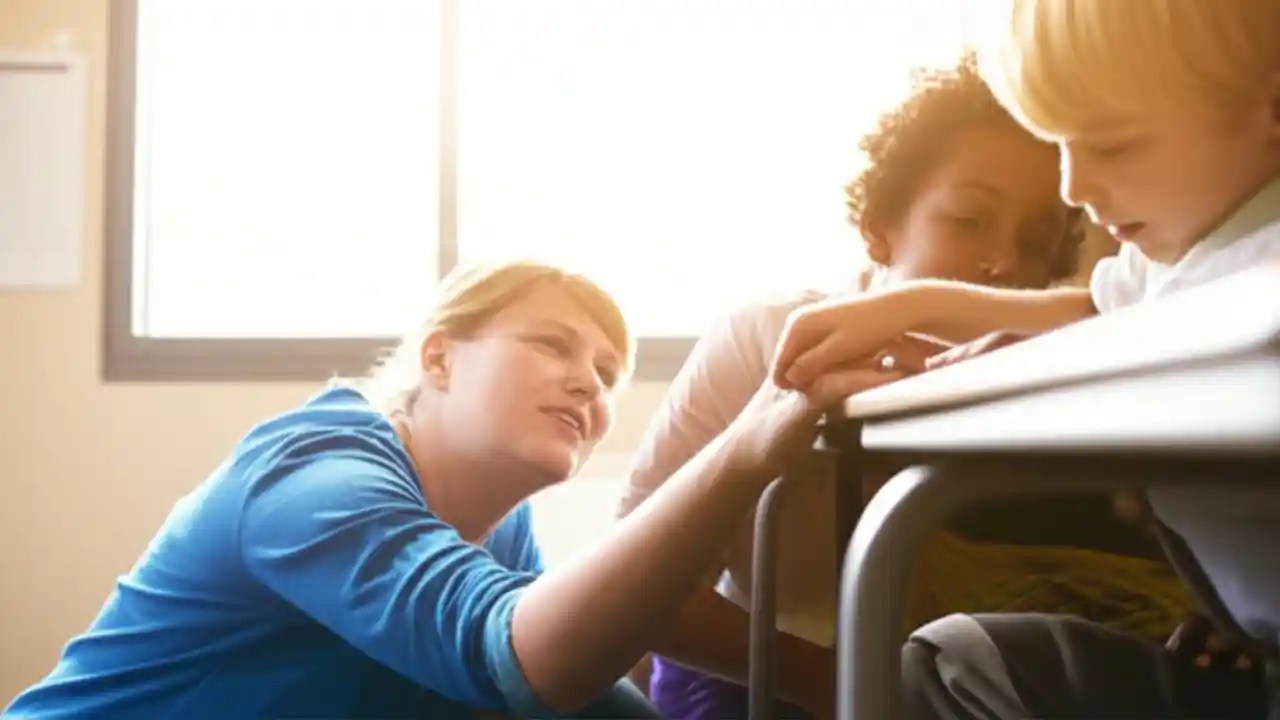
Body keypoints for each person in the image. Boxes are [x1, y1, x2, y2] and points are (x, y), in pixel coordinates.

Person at [5, 261, 902, 719]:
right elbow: (520, 661)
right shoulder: (315, 472)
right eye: (553, 346)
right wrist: (746, 448)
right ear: (438, 356)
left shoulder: (501, 535)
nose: (590, 383)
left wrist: (840, 680)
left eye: (607, 371)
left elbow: (585, 700)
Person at [620, 54, 1189, 720]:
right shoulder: (765, 341)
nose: (1005, 261)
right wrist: (839, 683)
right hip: (758, 676)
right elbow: (637, 581)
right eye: (968, 221)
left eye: (1036, 239)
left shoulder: (1051, 370)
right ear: (879, 226)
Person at [771, 0, 1280, 716]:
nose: (1074, 188)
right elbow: (1093, 311)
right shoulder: (1184, 250)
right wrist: (906, 307)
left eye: (1113, 146)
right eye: (1061, 144)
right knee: (956, 658)